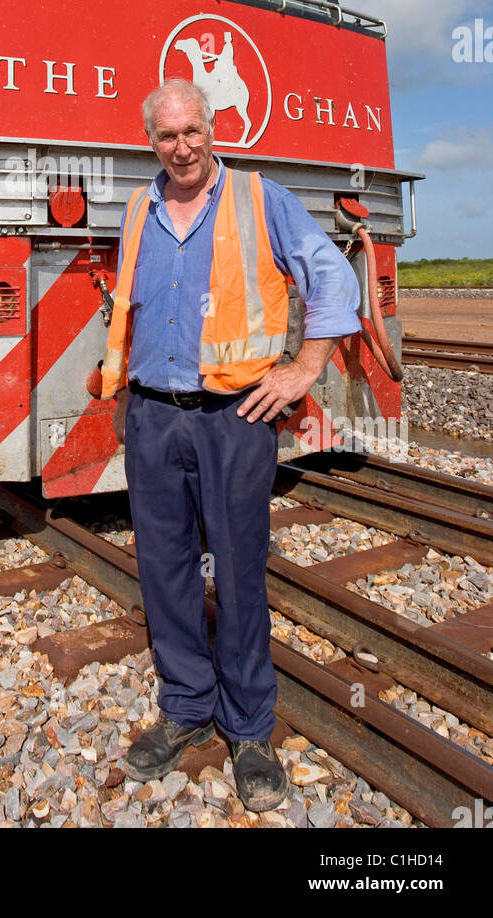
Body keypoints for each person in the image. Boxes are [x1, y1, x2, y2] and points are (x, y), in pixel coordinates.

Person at [101, 78, 361, 812]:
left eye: (190, 132)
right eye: (164, 135)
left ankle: (249, 730)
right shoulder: (138, 208)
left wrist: (305, 368)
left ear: (211, 129)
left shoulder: (258, 197)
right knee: (163, 567)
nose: (179, 147)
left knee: (240, 570)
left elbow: (329, 276)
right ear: (149, 139)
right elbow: (131, 307)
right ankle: (184, 706)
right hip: (154, 417)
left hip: (234, 419)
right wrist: (126, 397)